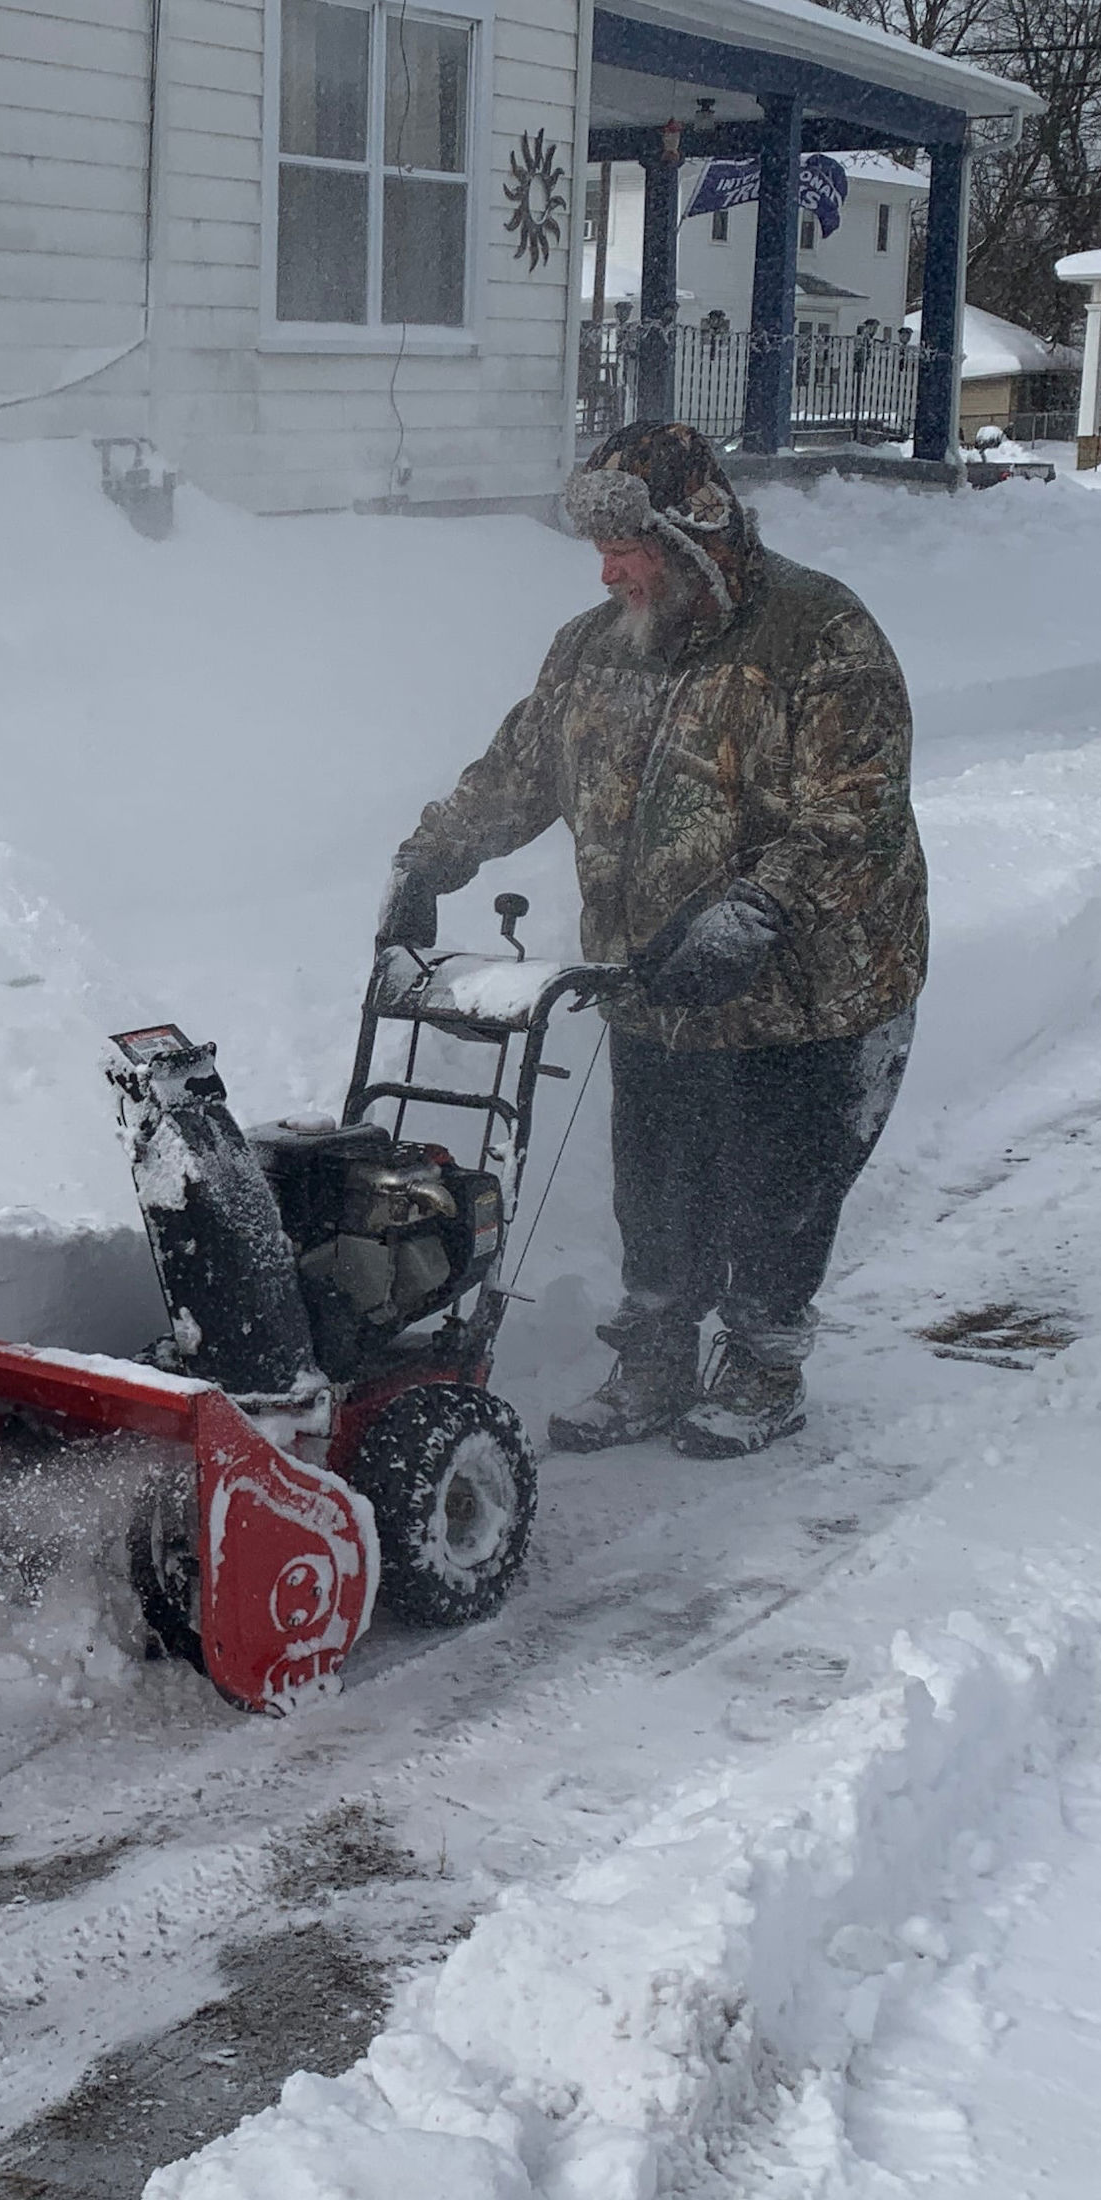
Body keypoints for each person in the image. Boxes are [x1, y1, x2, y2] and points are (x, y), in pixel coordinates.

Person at [378, 421, 926, 1458]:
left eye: (625, 548)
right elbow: (520, 769)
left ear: (689, 537)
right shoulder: (594, 647)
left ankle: (762, 1363)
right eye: (599, 550)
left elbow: (856, 812)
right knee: (657, 1179)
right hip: (656, 978)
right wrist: (428, 860)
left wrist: (756, 912)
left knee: (777, 1186)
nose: (607, 571)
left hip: (808, 987)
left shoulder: (817, 635)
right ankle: (655, 1357)